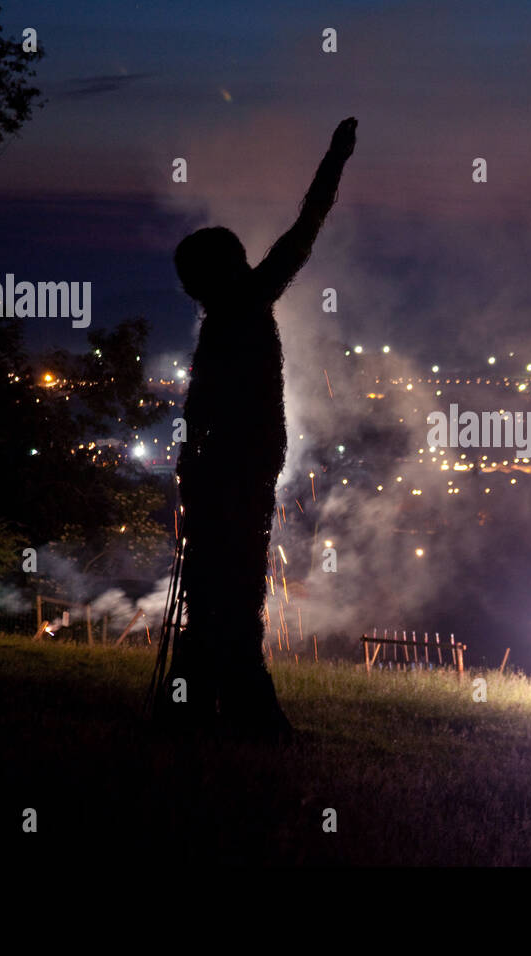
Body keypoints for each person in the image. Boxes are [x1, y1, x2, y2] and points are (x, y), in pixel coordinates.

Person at [161, 117, 357, 739]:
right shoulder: (234, 310)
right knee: (232, 594)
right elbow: (302, 235)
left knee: (215, 593)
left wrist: (333, 160)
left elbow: (303, 233)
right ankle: (229, 708)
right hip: (234, 477)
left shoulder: (233, 309)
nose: (192, 290)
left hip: (227, 476)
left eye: (195, 279)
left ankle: (201, 705)